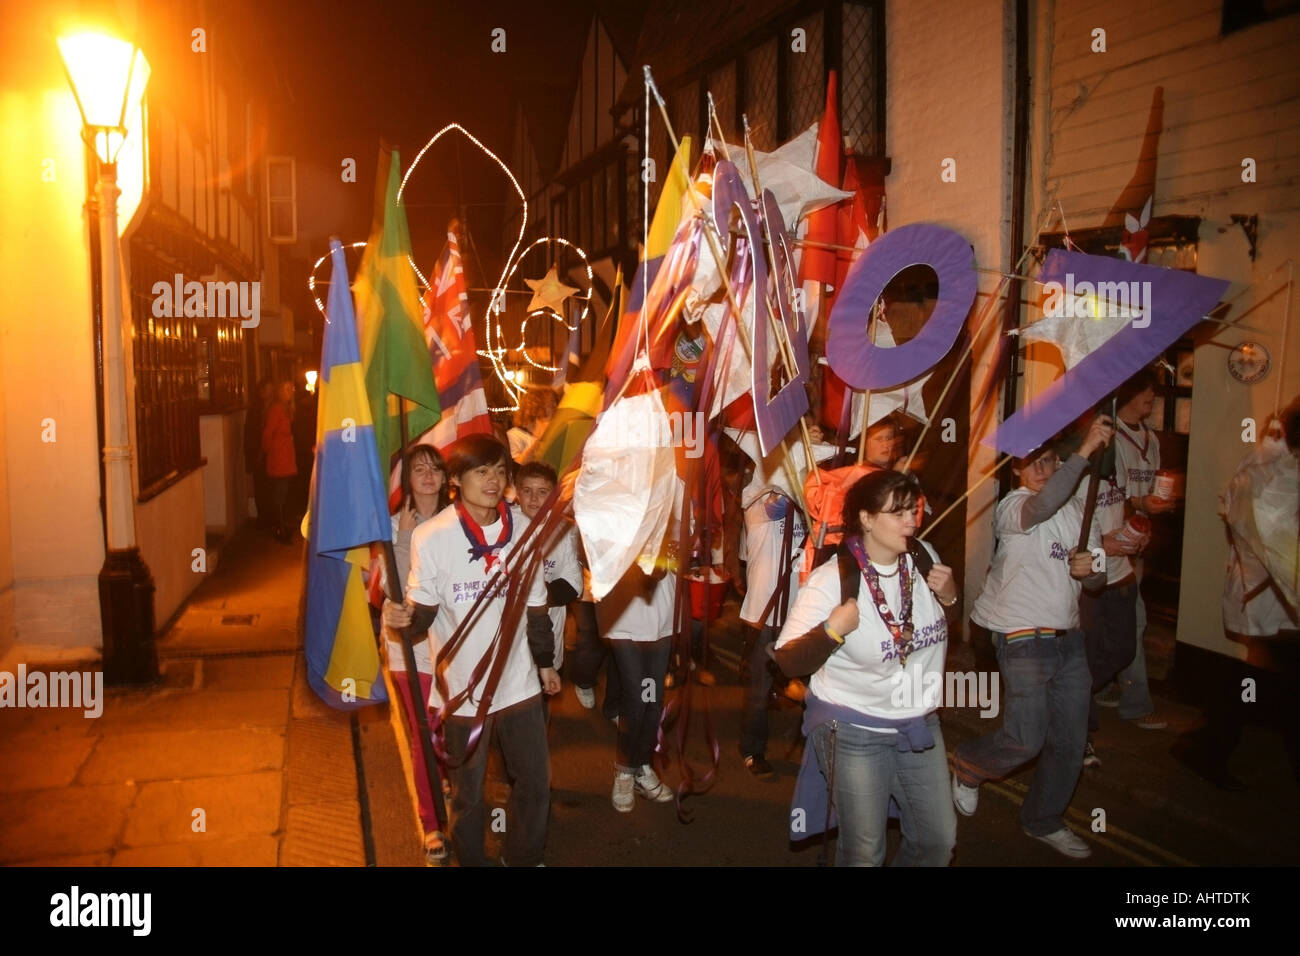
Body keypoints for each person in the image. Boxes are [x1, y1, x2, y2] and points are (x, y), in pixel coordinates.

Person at [383, 435, 560, 867]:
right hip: (462, 690)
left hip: (518, 683)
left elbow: (537, 610)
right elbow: (422, 618)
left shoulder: (524, 528)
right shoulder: (431, 536)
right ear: (457, 480)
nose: (494, 480)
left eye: (501, 470)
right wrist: (401, 619)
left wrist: (544, 663)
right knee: (468, 794)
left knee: (535, 783)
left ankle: (522, 855)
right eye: (482, 471)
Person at [773, 469, 958, 866]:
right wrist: (831, 631)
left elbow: (931, 634)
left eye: (915, 510)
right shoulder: (832, 581)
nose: (913, 521)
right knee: (864, 853)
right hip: (854, 731)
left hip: (918, 724)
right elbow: (786, 659)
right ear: (867, 519)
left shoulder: (927, 559)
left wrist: (952, 598)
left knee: (936, 842)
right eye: (899, 512)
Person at [951, 417, 1112, 859]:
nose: (1042, 469)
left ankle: (1043, 819)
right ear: (1018, 472)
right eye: (1034, 463)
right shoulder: (1014, 506)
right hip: (1022, 635)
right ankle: (970, 764)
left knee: (1070, 740)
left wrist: (1091, 569)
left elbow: (1098, 579)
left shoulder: (1082, 513)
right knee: (1026, 737)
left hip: (1068, 638)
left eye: (1050, 461)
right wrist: (1083, 454)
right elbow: (1042, 507)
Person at [1173, 399, 1300, 789]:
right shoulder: (1271, 477)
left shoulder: (1274, 466)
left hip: (1271, 598)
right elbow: (1272, 545)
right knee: (1268, 677)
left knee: (1264, 676)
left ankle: (1207, 741)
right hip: (1268, 595)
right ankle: (1208, 744)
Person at [382, 444, 450, 865]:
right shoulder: (391, 525)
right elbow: (395, 592)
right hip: (409, 647)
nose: (427, 475)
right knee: (421, 732)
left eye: (434, 468)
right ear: (406, 480)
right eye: (417, 469)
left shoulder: (457, 524)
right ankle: (431, 825)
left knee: (445, 726)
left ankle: (443, 778)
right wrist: (405, 536)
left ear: (446, 478)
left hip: (452, 644)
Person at [1100, 370, 1175, 730]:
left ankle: (1101, 688)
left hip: (1138, 541)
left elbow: (1152, 485)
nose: (1152, 395)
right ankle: (1136, 703)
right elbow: (1110, 497)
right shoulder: (1109, 437)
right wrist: (1140, 505)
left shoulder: (1150, 437)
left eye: (1153, 390)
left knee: (1113, 622)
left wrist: (1156, 505)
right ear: (1126, 392)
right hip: (1114, 543)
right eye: (1145, 389)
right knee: (1134, 620)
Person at [1074, 405, 1144, 768]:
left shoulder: (1117, 471)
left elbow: (1127, 508)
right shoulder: (1077, 478)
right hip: (1092, 585)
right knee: (1085, 658)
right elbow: (1073, 540)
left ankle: (1072, 695)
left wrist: (1136, 533)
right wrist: (1106, 544)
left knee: (1123, 651)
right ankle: (1079, 734)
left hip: (1122, 576)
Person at [597, 537, 679, 812]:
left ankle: (641, 764)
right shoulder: (612, 502)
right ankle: (623, 770)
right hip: (624, 614)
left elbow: (684, 549)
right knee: (636, 698)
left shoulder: (672, 496)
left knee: (653, 698)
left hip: (661, 613)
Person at [513, 462, 583, 678]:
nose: (534, 499)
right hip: (512, 633)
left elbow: (573, 586)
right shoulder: (504, 526)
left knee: (545, 689)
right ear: (517, 492)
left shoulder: (564, 529)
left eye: (542, 492)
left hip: (548, 626)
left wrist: (529, 596)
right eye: (527, 491)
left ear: (553, 495)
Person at [262, 380, 298, 544]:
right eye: (287, 388)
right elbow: (268, 433)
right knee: (280, 495)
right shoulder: (276, 409)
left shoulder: (286, 409)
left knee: (284, 494)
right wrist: (266, 453)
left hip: (285, 458)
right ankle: (279, 527)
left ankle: (282, 525)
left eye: (292, 388)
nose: (291, 391)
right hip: (279, 458)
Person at [244, 378, 273, 528]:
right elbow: (251, 434)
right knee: (260, 485)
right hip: (258, 453)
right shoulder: (255, 411)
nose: (270, 392)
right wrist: (254, 454)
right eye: (267, 389)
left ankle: (268, 516)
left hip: (271, 453)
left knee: (269, 486)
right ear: (261, 391)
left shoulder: (273, 407)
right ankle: (263, 517)